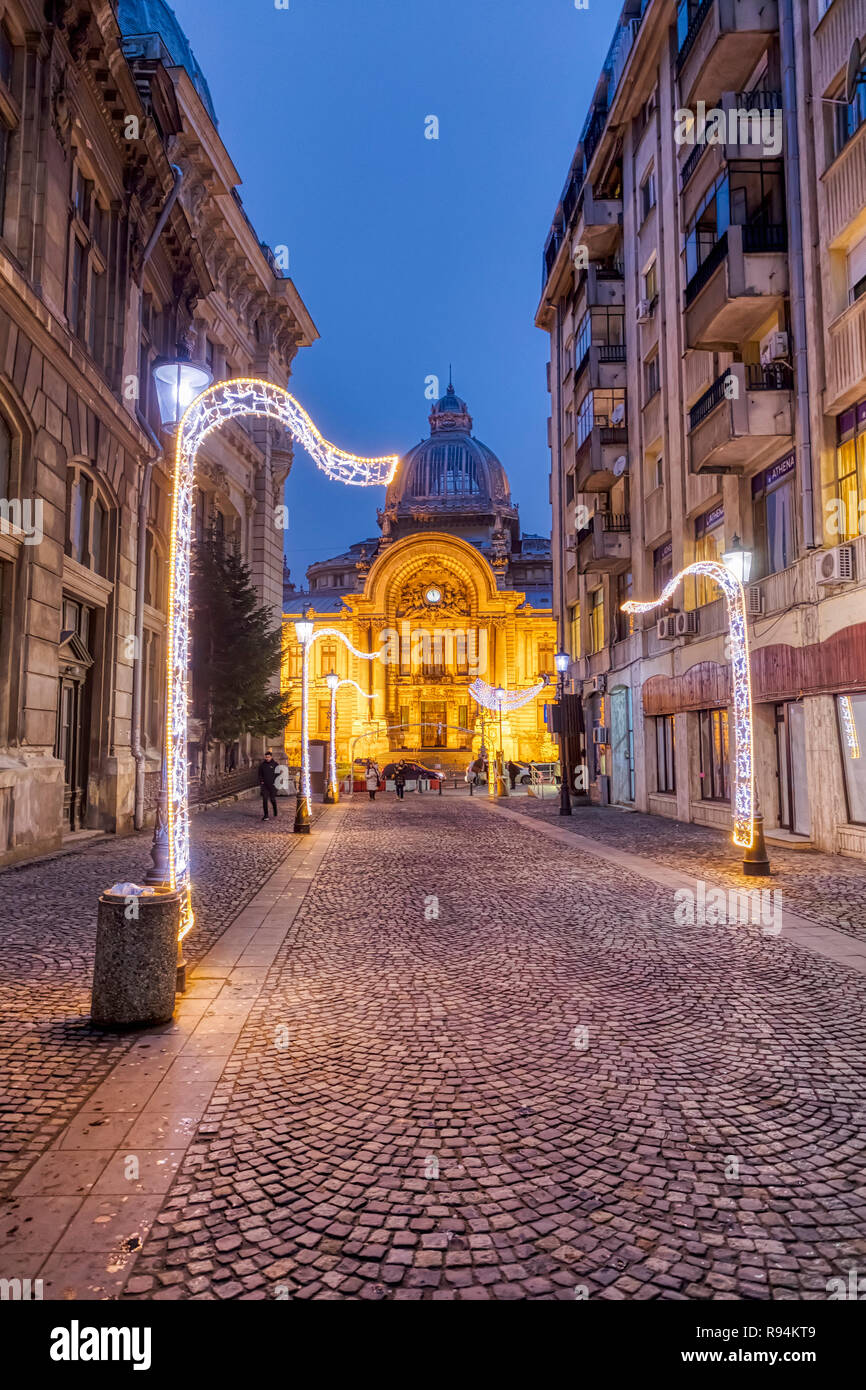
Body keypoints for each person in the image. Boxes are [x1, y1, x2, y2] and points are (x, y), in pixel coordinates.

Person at [258, 749, 279, 820]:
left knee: (272, 799)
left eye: (268, 757)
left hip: (273, 786)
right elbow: (260, 774)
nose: (267, 758)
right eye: (266, 757)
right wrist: (261, 781)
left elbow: (278, 774)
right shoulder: (262, 765)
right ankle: (266, 815)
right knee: (264, 799)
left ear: (271, 757)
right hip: (265, 786)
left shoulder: (275, 764)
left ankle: (275, 811)